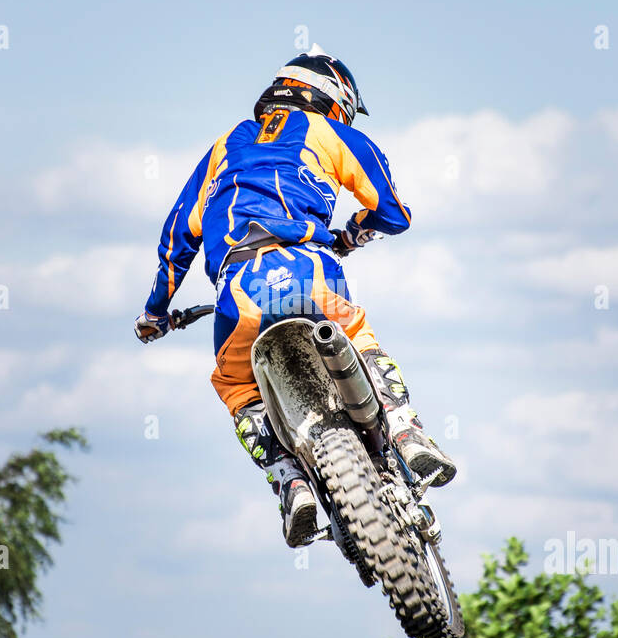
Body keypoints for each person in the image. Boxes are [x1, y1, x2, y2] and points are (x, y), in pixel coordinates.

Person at [134, 45, 455, 547]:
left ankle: (290, 482)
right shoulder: (332, 134)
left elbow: (177, 239)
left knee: (236, 389)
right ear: (333, 100)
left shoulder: (223, 147)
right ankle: (405, 431)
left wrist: (155, 313)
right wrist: (353, 232)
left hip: (238, 297)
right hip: (310, 274)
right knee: (359, 338)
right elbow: (394, 213)